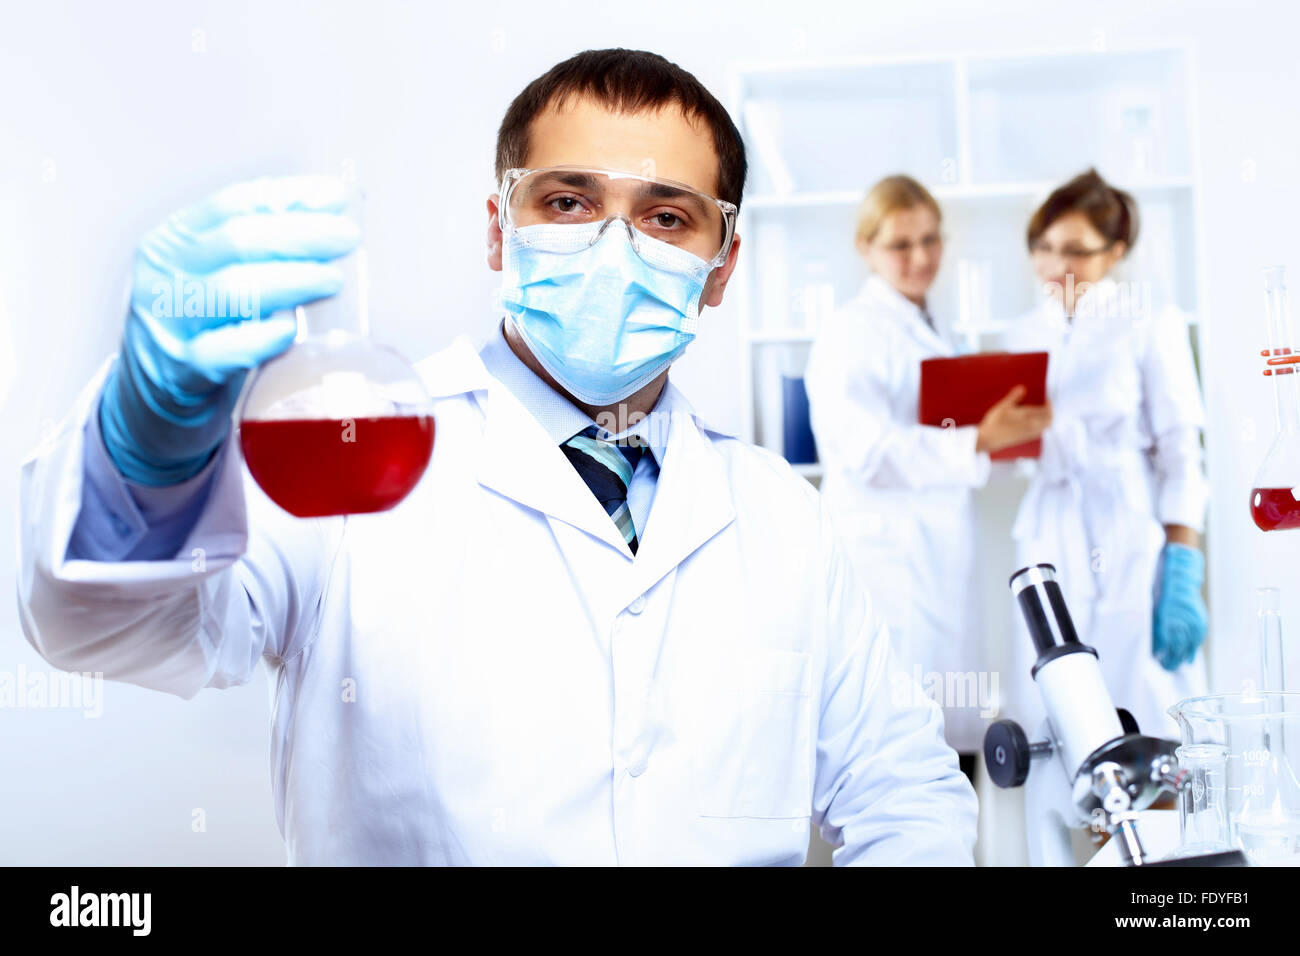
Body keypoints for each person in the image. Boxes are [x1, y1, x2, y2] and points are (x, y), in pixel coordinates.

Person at [17, 50, 977, 865]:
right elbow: (107, 633)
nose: (614, 246)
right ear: (499, 233)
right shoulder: (354, 459)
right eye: (569, 201)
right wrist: (143, 447)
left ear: (722, 264)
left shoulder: (780, 514)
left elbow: (906, 794)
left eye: (666, 217)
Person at [804, 176, 1051, 771]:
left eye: (930, 239)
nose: (920, 258)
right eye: (900, 244)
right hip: (887, 566)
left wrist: (1002, 443)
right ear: (865, 247)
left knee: (947, 745)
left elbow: (945, 444)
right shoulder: (850, 332)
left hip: (939, 559)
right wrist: (977, 441)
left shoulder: (935, 328)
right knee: (896, 755)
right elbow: (863, 451)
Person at [1001, 169, 1209, 738]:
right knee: (1062, 722)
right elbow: (1019, 455)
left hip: (1130, 541)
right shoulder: (1024, 333)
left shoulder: (1149, 323)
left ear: (1116, 251)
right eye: (1042, 248)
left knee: (1149, 723)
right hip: (1048, 539)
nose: (1052, 266)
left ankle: (1156, 827)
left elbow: (1181, 455)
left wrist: (1183, 567)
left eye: (1075, 251)